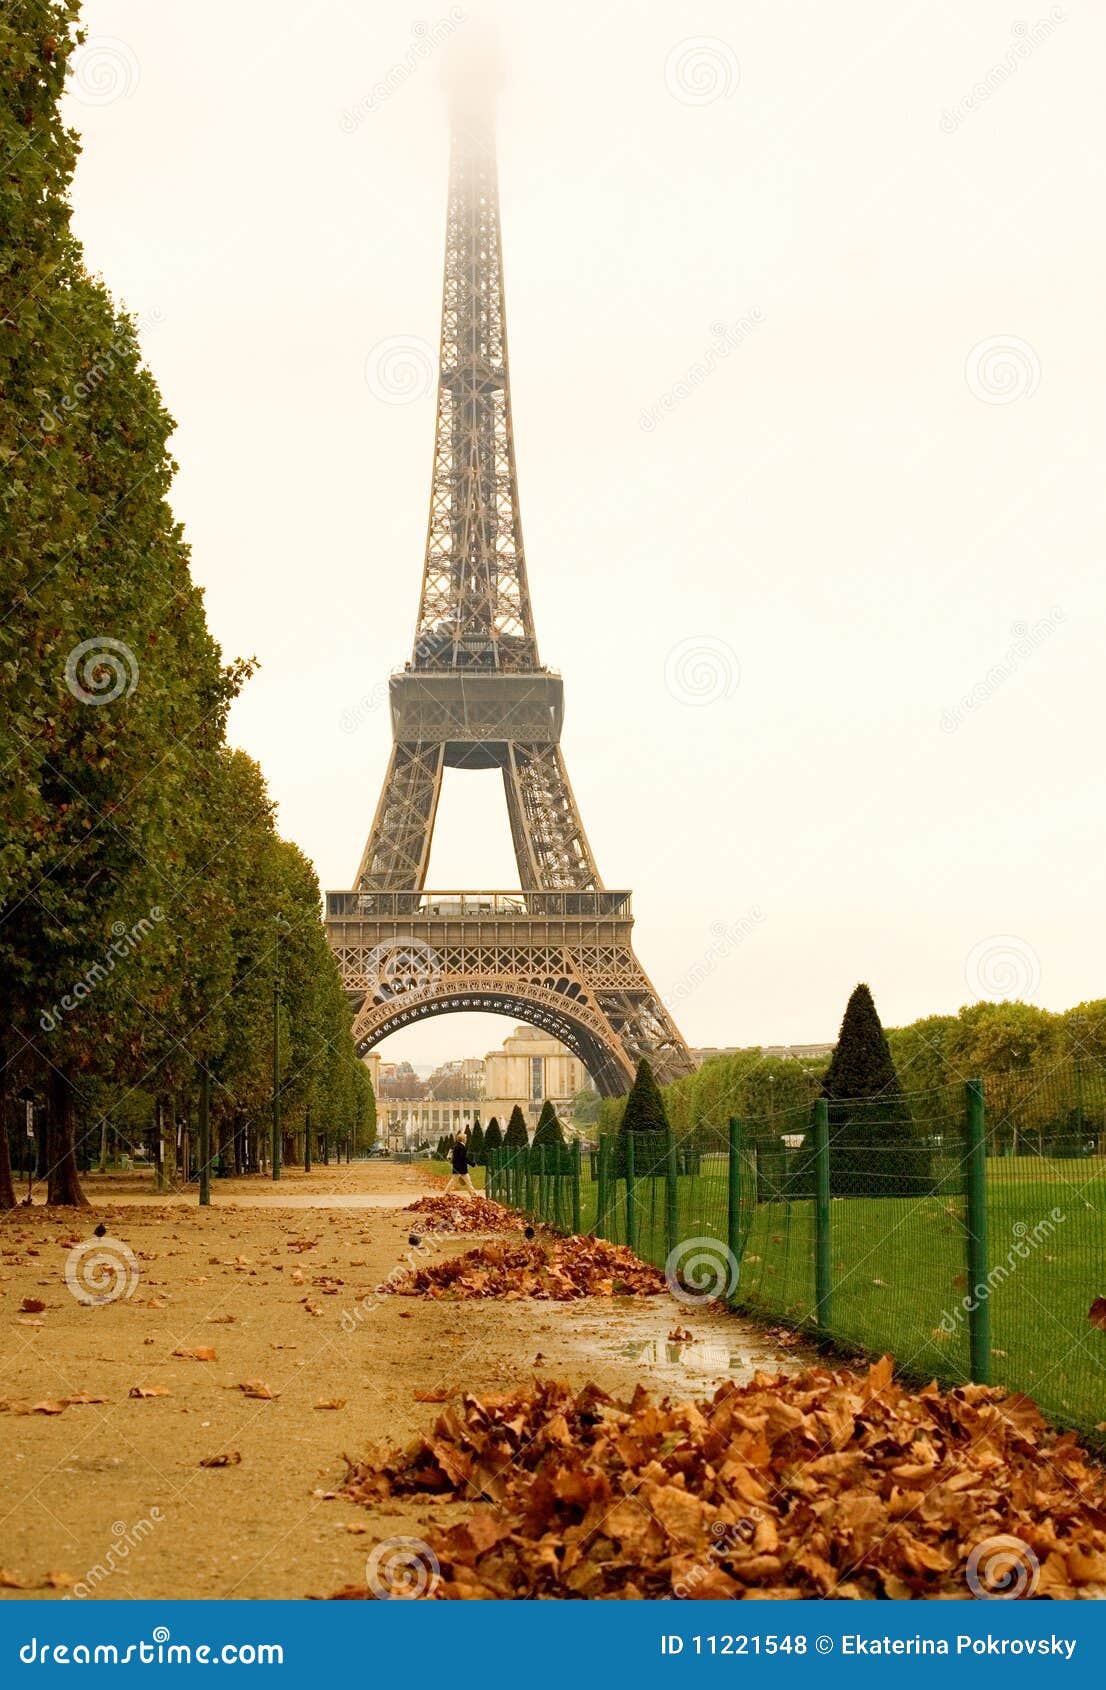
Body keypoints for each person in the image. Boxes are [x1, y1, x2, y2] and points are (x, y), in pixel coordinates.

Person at [444, 1131, 477, 1197]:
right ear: (463, 1139)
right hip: (461, 1168)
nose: (466, 1140)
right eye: (465, 1138)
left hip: (457, 1167)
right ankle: (473, 1194)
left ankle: (447, 1192)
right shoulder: (462, 1147)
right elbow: (463, 1158)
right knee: (467, 1182)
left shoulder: (456, 1146)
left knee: (454, 1181)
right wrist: (472, 1164)